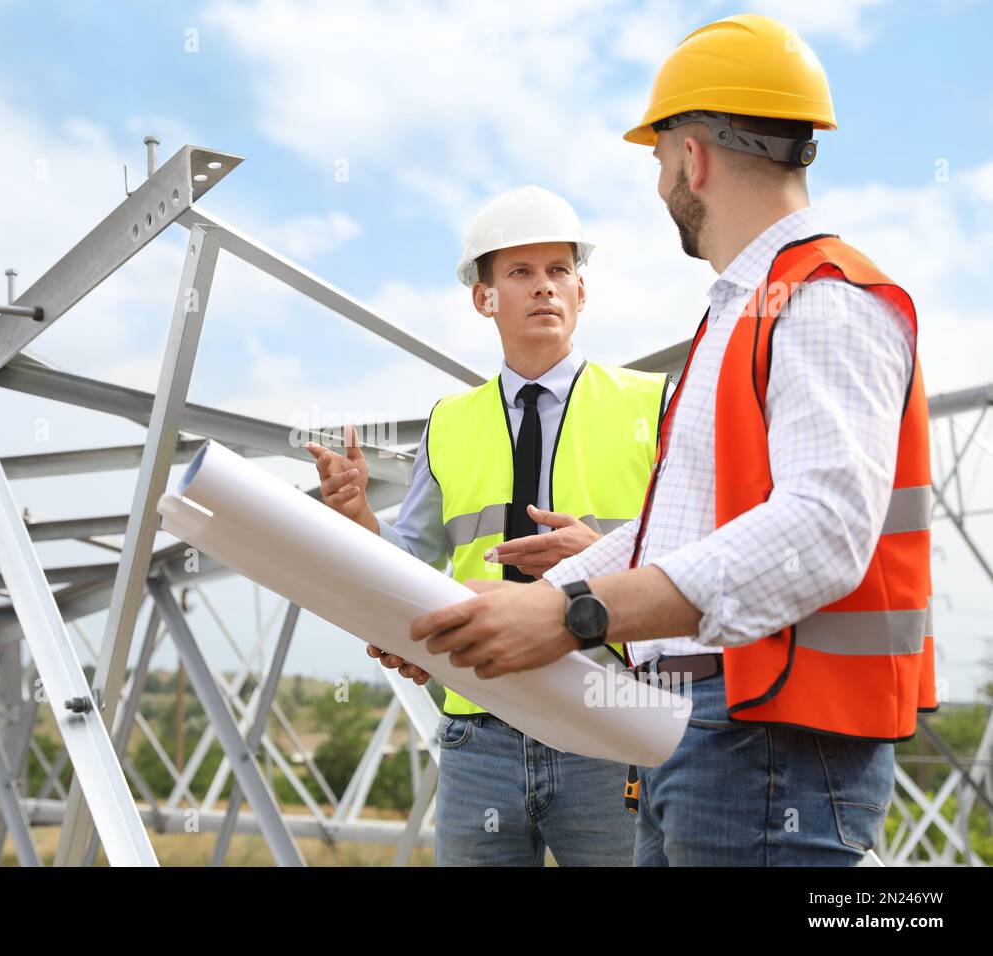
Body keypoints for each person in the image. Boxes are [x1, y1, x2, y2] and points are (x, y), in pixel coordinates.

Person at [404, 14, 936, 865]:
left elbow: (824, 529)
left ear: (693, 157)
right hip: (705, 735)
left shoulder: (821, 298)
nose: (659, 185)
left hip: (774, 742)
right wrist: (502, 615)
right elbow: (680, 536)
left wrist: (573, 612)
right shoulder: (742, 314)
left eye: (658, 159)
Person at [306, 186, 669, 865]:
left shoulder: (652, 403)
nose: (544, 289)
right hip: (480, 732)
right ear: (485, 297)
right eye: (521, 273)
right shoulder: (450, 423)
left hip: (607, 717)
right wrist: (356, 515)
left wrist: (598, 558)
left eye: (559, 271)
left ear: (582, 292)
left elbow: (693, 557)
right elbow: (405, 564)